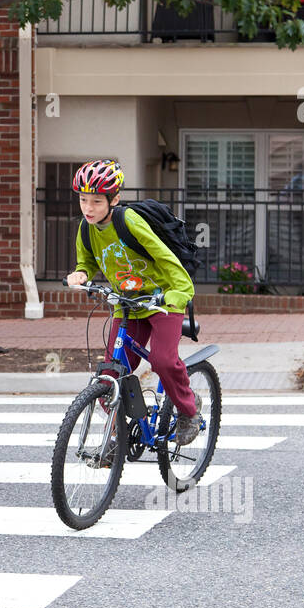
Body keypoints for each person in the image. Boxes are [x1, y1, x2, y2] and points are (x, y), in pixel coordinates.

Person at [63, 159, 202, 448]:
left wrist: (179, 293)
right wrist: (81, 273)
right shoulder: (86, 229)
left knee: (163, 360)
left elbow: (165, 257)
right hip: (127, 303)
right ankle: (117, 434)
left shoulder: (128, 221)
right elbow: (86, 261)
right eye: (83, 200)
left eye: (96, 202)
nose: (88, 208)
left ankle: (188, 409)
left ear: (114, 199)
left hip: (162, 298)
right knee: (109, 376)